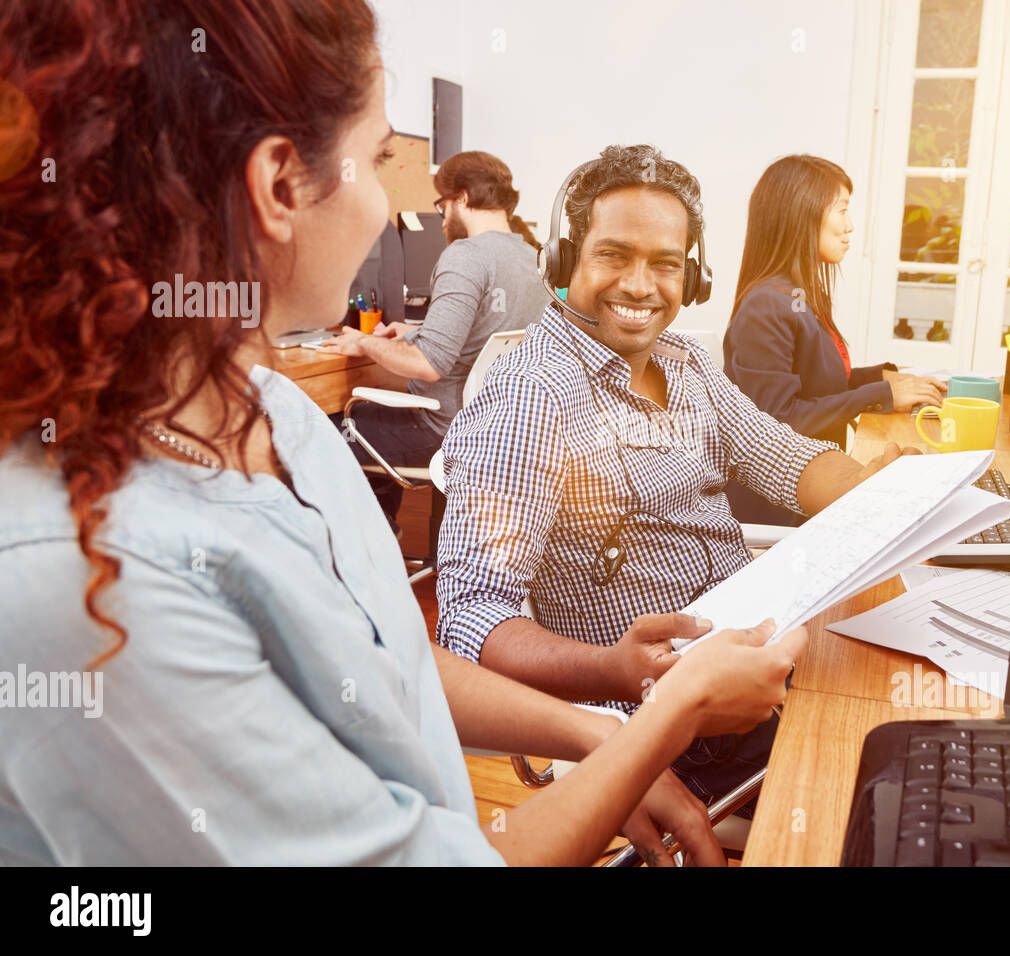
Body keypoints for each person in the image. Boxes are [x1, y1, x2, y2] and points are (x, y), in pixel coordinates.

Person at [0, 0, 806, 867]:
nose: (392, 202)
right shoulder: (88, 583)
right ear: (279, 186)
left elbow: (390, 669)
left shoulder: (282, 418)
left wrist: (600, 729)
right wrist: (675, 711)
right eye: (380, 159)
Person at [436, 144, 917, 816]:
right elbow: (471, 618)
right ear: (564, 260)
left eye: (665, 264)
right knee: (886, 806)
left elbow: (788, 457)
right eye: (613, 255)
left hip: (761, 666)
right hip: (679, 730)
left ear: (692, 277)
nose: (640, 285)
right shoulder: (533, 397)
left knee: (927, 748)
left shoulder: (684, 363)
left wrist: (878, 485)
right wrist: (613, 672)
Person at [321, 150, 550, 529]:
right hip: (494, 429)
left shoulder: (466, 255)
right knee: (364, 422)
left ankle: (369, 555)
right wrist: (417, 332)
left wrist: (364, 343)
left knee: (322, 430)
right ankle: (385, 541)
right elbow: (490, 331)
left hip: (440, 431)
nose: (442, 216)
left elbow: (428, 365)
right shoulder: (531, 256)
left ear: (461, 198)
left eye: (442, 203)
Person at [724, 155, 946, 525]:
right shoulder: (767, 305)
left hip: (813, 489)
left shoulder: (797, 295)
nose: (850, 225)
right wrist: (881, 397)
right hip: (779, 509)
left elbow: (816, 385)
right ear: (801, 213)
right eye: (841, 210)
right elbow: (780, 422)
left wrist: (883, 378)